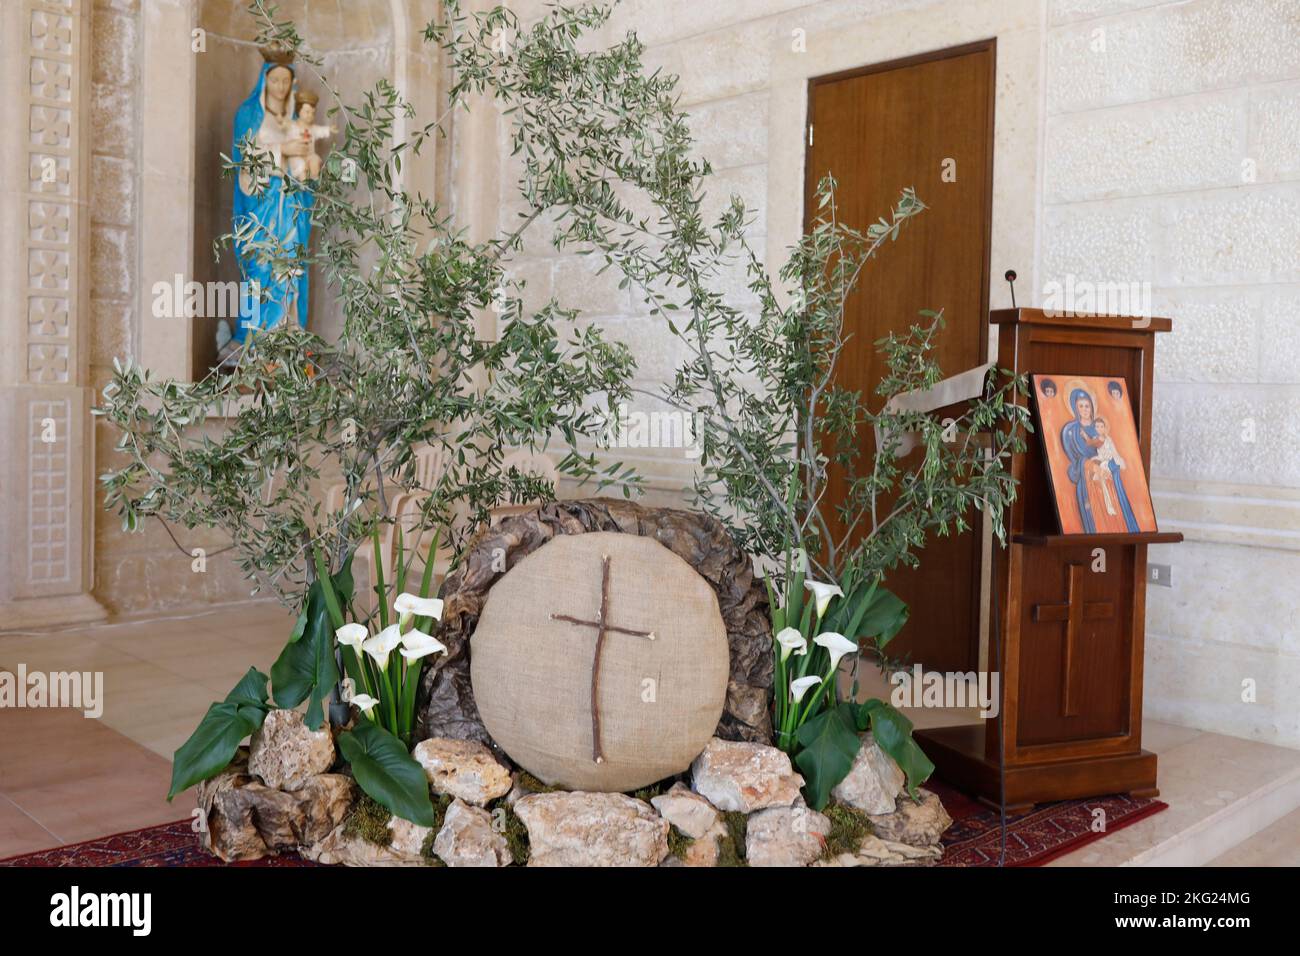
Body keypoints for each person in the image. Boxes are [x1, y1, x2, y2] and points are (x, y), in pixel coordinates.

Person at [225, 49, 318, 355]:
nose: (279, 86)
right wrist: (282, 151)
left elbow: (308, 163)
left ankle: (287, 336)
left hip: (291, 206)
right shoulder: (249, 115)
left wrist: (304, 158)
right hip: (261, 206)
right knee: (260, 268)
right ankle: (252, 338)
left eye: (285, 81)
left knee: (290, 266)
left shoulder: (296, 121)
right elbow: (243, 160)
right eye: (275, 79)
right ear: (264, 81)